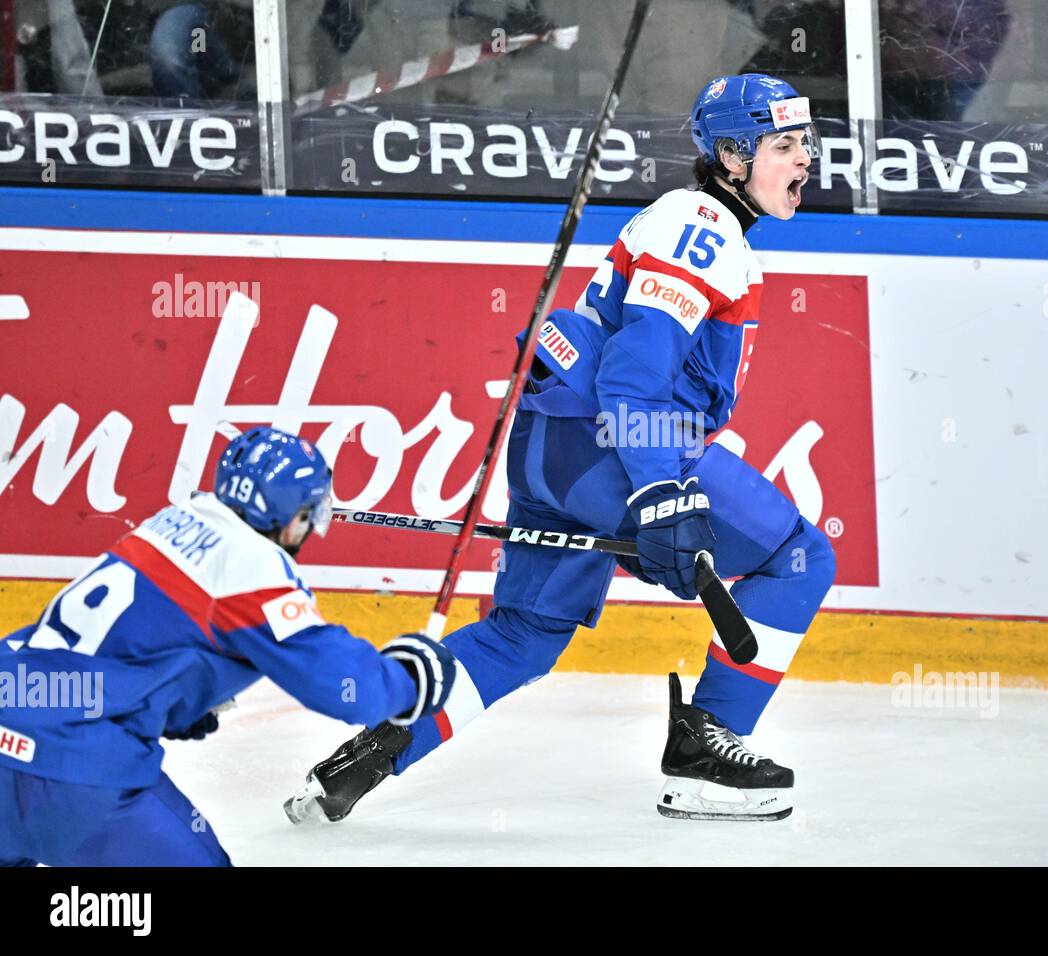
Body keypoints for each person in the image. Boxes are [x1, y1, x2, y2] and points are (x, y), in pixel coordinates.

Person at [286, 73, 837, 825]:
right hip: (614, 448)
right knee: (800, 557)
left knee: (525, 632)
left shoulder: (700, 225)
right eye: (784, 144)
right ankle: (707, 748)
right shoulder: (702, 226)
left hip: (555, 453)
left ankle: (377, 751)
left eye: (804, 141)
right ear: (733, 155)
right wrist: (657, 490)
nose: (805, 159)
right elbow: (635, 376)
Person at [0, 426, 453, 866]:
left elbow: (131, 645)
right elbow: (343, 686)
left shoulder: (171, 522)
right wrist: (409, 681)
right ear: (290, 515)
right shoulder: (250, 564)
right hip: (74, 768)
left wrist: (175, 704)